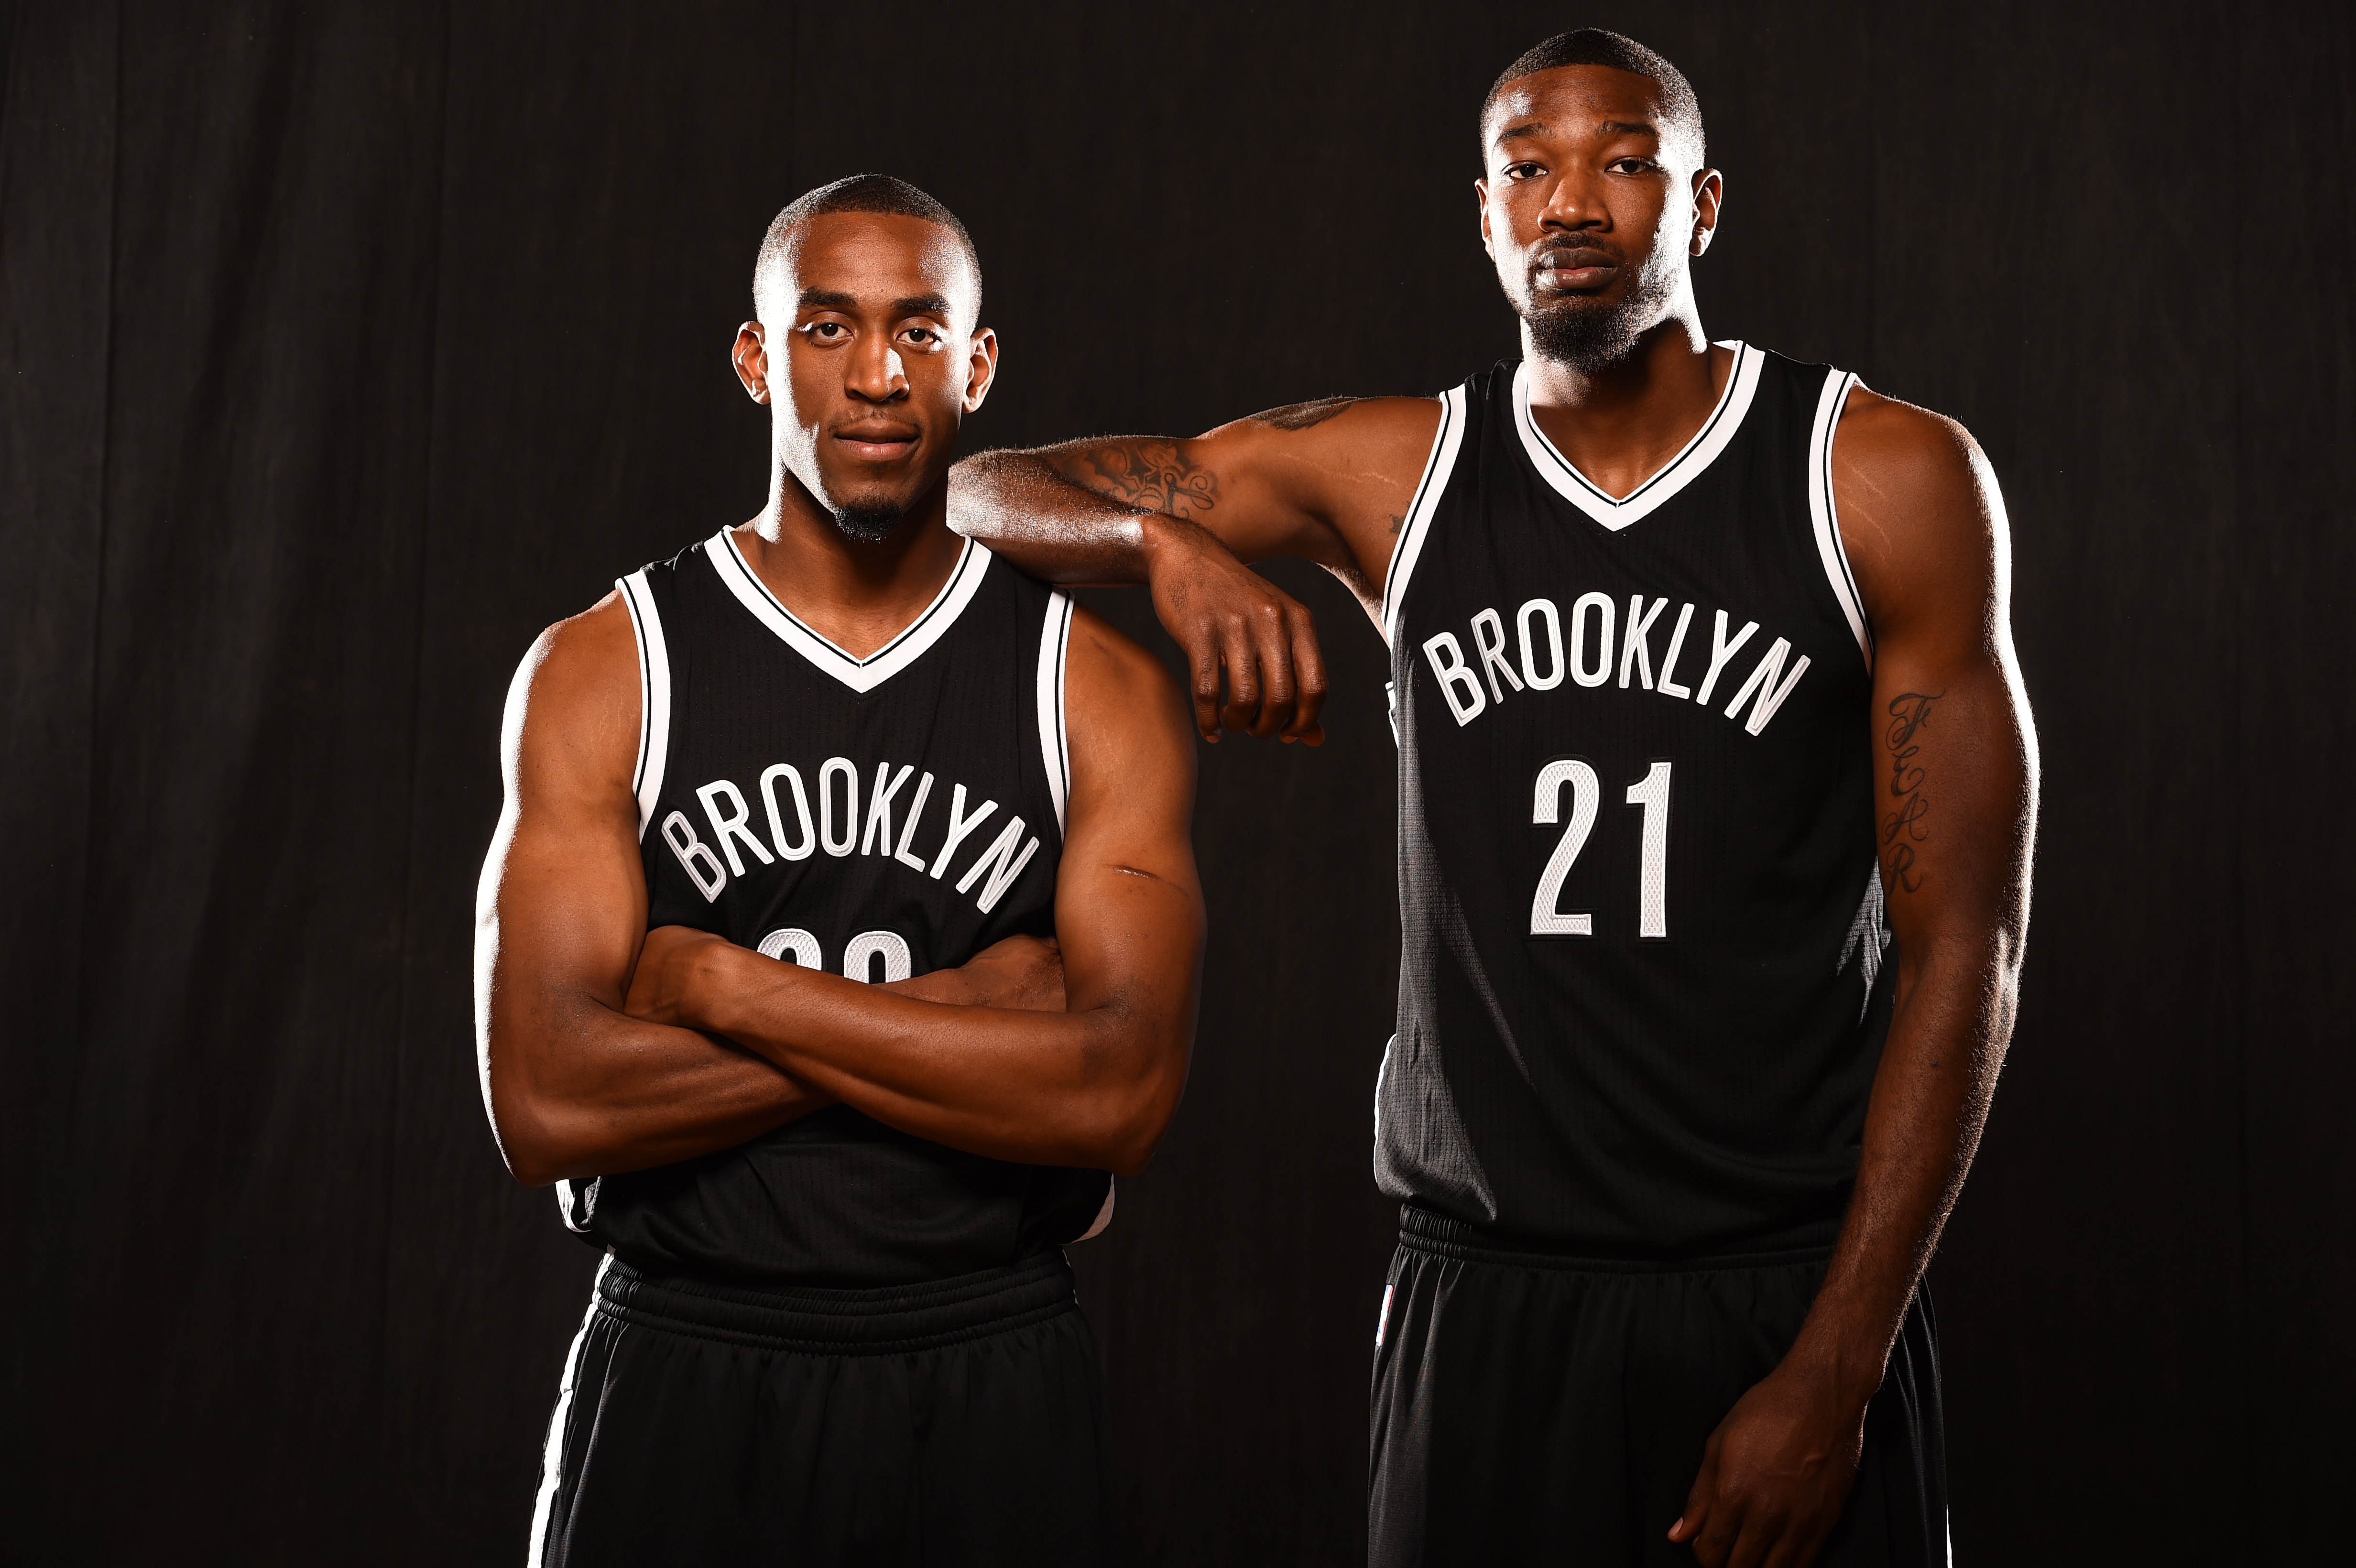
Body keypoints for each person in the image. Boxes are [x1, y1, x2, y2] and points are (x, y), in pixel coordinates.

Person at [949, 29, 2035, 1568]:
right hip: (1484, 1289)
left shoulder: (1879, 477)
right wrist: (1158, 550)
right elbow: (977, 491)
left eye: (1622, 161)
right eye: (1529, 166)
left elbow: (1965, 954)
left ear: (1703, 205)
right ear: (1483, 212)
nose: (1571, 204)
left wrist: (1840, 1363)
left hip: (1783, 1284)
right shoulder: (1403, 473)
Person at [472, 174, 1203, 1568]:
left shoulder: (1094, 689)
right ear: (757, 359)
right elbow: (547, 1101)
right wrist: (973, 1017)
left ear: (978, 367)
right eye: (828, 327)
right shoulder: (606, 667)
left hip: (989, 1361)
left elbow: (1121, 1093)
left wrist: (713, 989)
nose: (877, 373)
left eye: (922, 330)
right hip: (689, 1353)